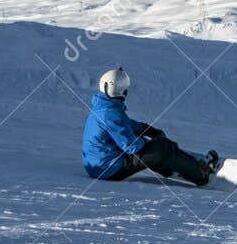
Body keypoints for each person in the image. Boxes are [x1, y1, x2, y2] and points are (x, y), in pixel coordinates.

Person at [82, 67, 219, 186]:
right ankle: (202, 176)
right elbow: (131, 146)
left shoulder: (104, 107)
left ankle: (174, 165)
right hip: (108, 169)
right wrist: (155, 143)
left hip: (100, 165)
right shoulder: (109, 113)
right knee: (162, 148)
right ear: (122, 91)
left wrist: (147, 130)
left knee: (152, 146)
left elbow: (125, 125)